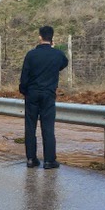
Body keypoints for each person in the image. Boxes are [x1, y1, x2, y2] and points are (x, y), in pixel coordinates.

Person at [19, 25, 68, 169]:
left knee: (30, 127)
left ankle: (31, 159)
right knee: (48, 128)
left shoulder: (31, 54)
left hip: (32, 94)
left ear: (39, 37)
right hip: (48, 95)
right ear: (52, 39)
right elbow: (64, 63)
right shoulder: (58, 55)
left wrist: (24, 91)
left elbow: (24, 78)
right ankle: (49, 161)